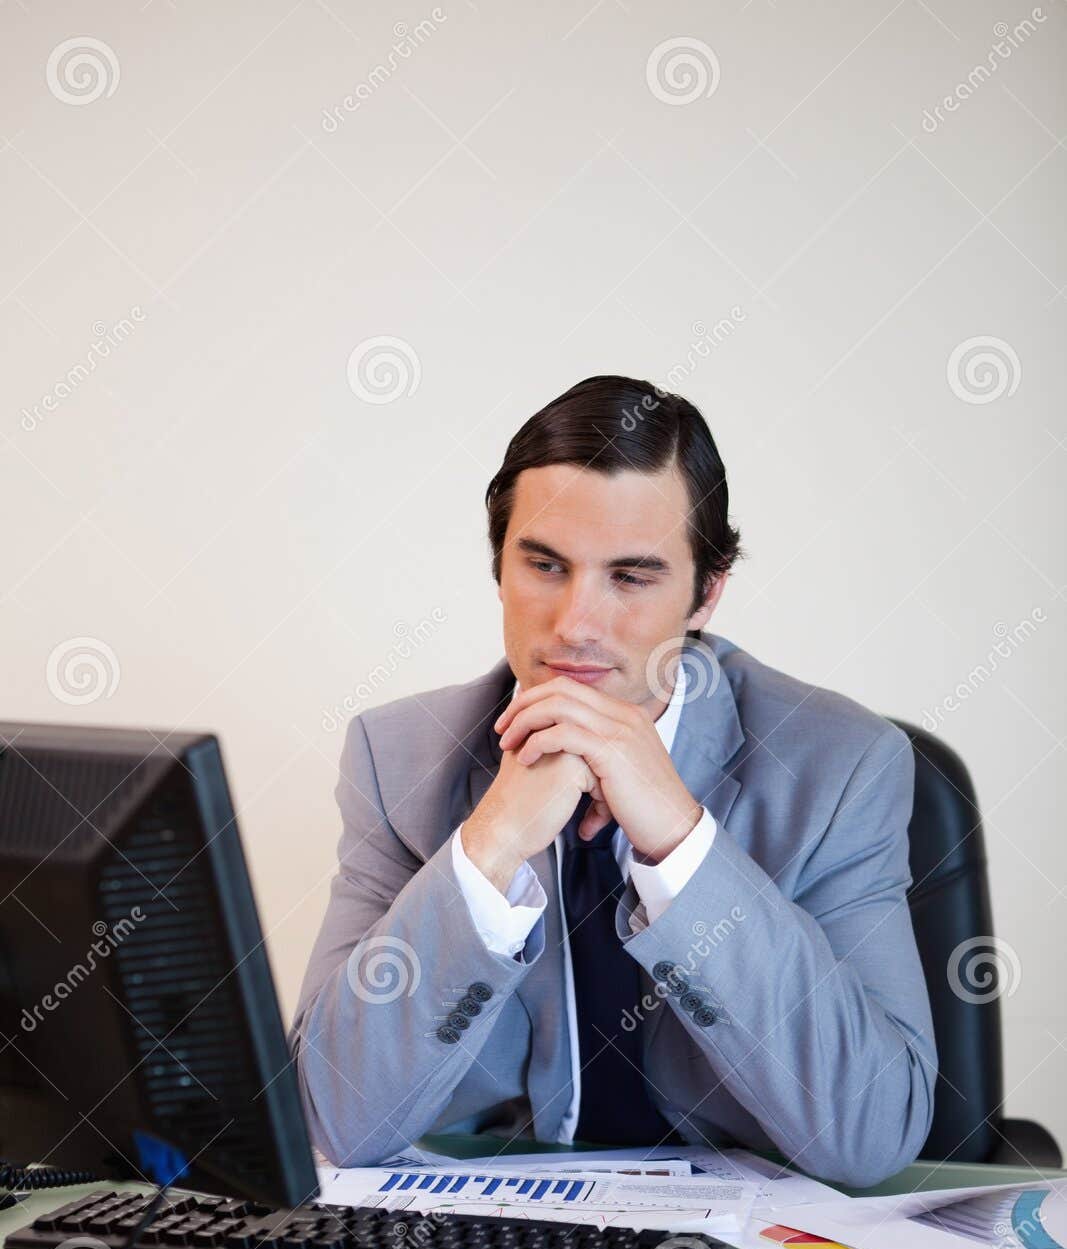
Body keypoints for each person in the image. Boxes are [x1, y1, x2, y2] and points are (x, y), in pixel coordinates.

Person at [289, 374, 937, 1185]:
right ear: (499, 568)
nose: (575, 626)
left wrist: (680, 840)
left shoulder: (839, 765)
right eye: (544, 566)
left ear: (705, 594)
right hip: (499, 1243)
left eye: (630, 577)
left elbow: (872, 1132)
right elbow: (331, 1118)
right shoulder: (398, 757)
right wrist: (488, 847)